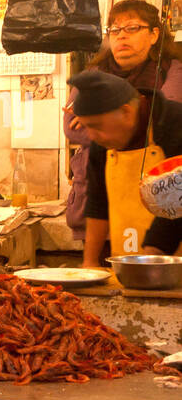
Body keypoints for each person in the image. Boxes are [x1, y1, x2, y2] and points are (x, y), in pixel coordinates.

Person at [64, 0, 182, 240]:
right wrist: (120, 120)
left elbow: (165, 118)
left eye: (132, 28)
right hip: (96, 202)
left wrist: (97, 119)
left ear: (154, 34)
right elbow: (71, 129)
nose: (121, 37)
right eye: (115, 30)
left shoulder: (174, 70)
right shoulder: (92, 75)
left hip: (158, 208)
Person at [72, 68, 182, 264]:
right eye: (86, 126)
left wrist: (148, 264)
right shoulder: (103, 141)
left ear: (126, 111)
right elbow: (98, 203)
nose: (91, 135)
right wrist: (89, 264)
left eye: (95, 126)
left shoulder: (176, 123)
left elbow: (178, 203)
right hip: (129, 261)